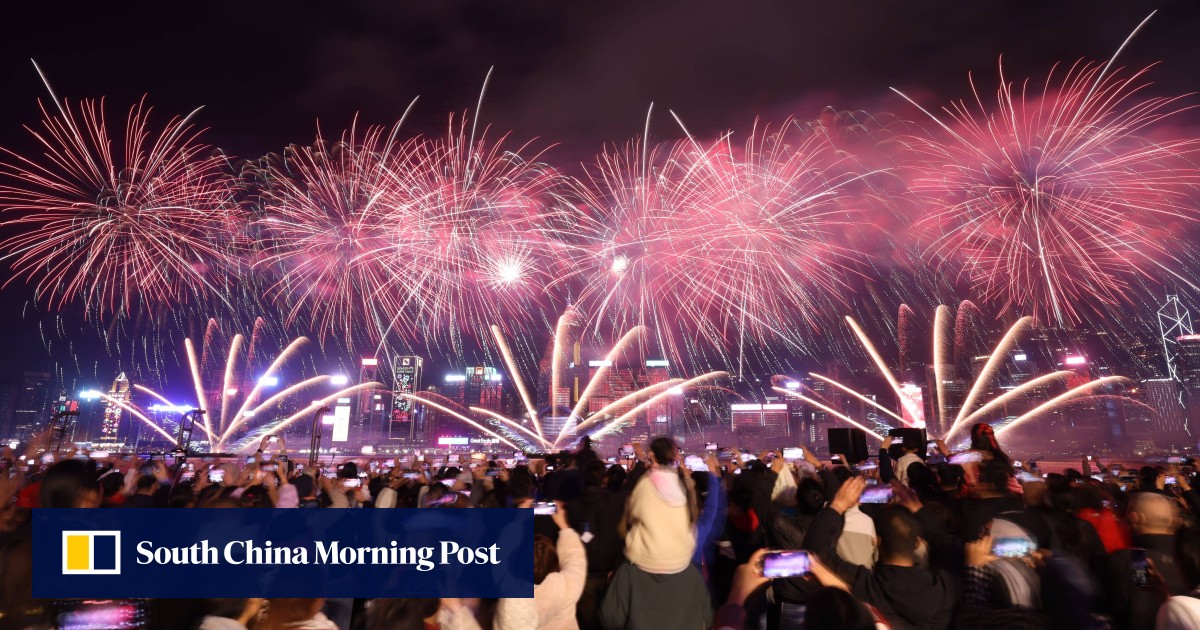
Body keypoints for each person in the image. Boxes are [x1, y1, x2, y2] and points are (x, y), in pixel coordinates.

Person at [804, 477, 957, 629]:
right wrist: (917, 509)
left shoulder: (865, 587)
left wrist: (838, 505)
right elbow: (945, 545)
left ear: (877, 542)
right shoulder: (945, 587)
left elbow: (816, 552)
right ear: (917, 543)